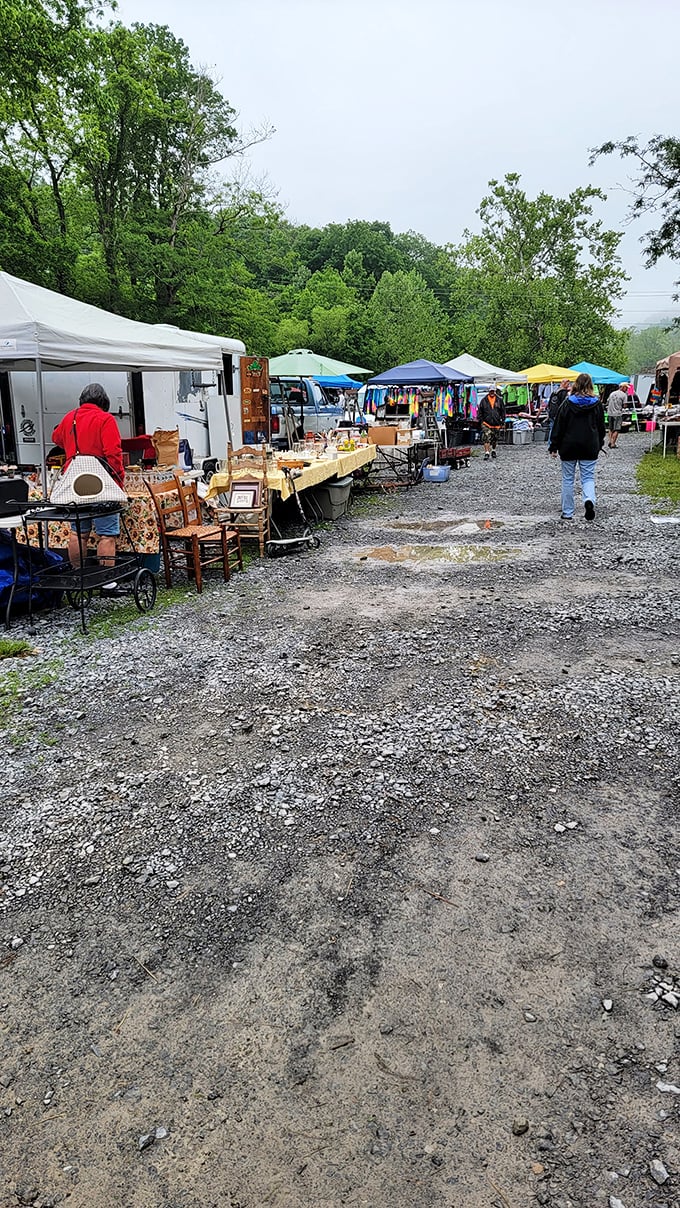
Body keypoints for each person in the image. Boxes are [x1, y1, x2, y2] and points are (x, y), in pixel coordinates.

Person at [52, 382, 124, 569]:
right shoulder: (105, 419)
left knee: (78, 533)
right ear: (104, 401)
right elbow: (113, 454)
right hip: (101, 484)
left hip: (74, 484)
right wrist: (118, 480)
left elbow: (56, 438)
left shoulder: (70, 417)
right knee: (106, 534)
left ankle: (79, 576)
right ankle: (107, 581)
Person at [548, 372, 605, 522]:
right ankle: (589, 501)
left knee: (567, 479)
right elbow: (601, 427)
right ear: (590, 385)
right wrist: (600, 443)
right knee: (587, 478)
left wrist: (553, 445)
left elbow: (558, 426)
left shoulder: (567, 403)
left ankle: (567, 512)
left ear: (575, 385)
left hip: (569, 446)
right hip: (589, 446)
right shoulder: (597, 404)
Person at [477, 386, 506, 460]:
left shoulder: (499, 400)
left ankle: (493, 450)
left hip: (496, 423)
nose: (492, 392)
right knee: (486, 437)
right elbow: (480, 411)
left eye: (493, 391)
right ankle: (486, 452)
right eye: (491, 391)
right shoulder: (484, 400)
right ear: (488, 391)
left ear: (495, 391)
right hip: (486, 423)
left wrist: (503, 420)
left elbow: (503, 411)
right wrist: (481, 421)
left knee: (495, 438)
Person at [547, 379, 571, 444]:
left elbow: (549, 404)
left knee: (552, 429)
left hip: (552, 413)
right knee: (560, 429)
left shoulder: (554, 392)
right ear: (564, 384)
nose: (569, 385)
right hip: (558, 414)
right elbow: (565, 405)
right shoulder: (564, 393)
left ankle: (550, 444)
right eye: (568, 384)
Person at [606, 382, 628, 448]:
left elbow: (608, 401)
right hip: (617, 414)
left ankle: (610, 441)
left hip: (610, 413)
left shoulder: (612, 393)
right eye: (626, 387)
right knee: (617, 429)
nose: (626, 389)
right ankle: (613, 443)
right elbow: (624, 405)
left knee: (610, 428)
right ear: (622, 387)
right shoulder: (624, 395)